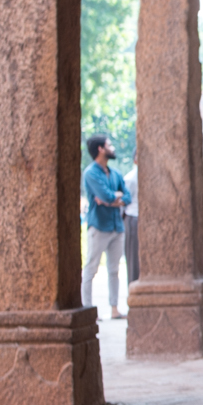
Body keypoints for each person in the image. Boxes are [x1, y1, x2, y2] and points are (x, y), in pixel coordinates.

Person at [82, 135, 129, 318]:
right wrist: (113, 198)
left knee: (114, 269)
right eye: (109, 144)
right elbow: (108, 196)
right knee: (91, 267)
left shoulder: (115, 173)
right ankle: (87, 308)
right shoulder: (90, 173)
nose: (112, 147)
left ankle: (114, 309)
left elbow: (126, 197)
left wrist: (111, 200)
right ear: (101, 149)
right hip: (99, 226)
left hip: (116, 226)